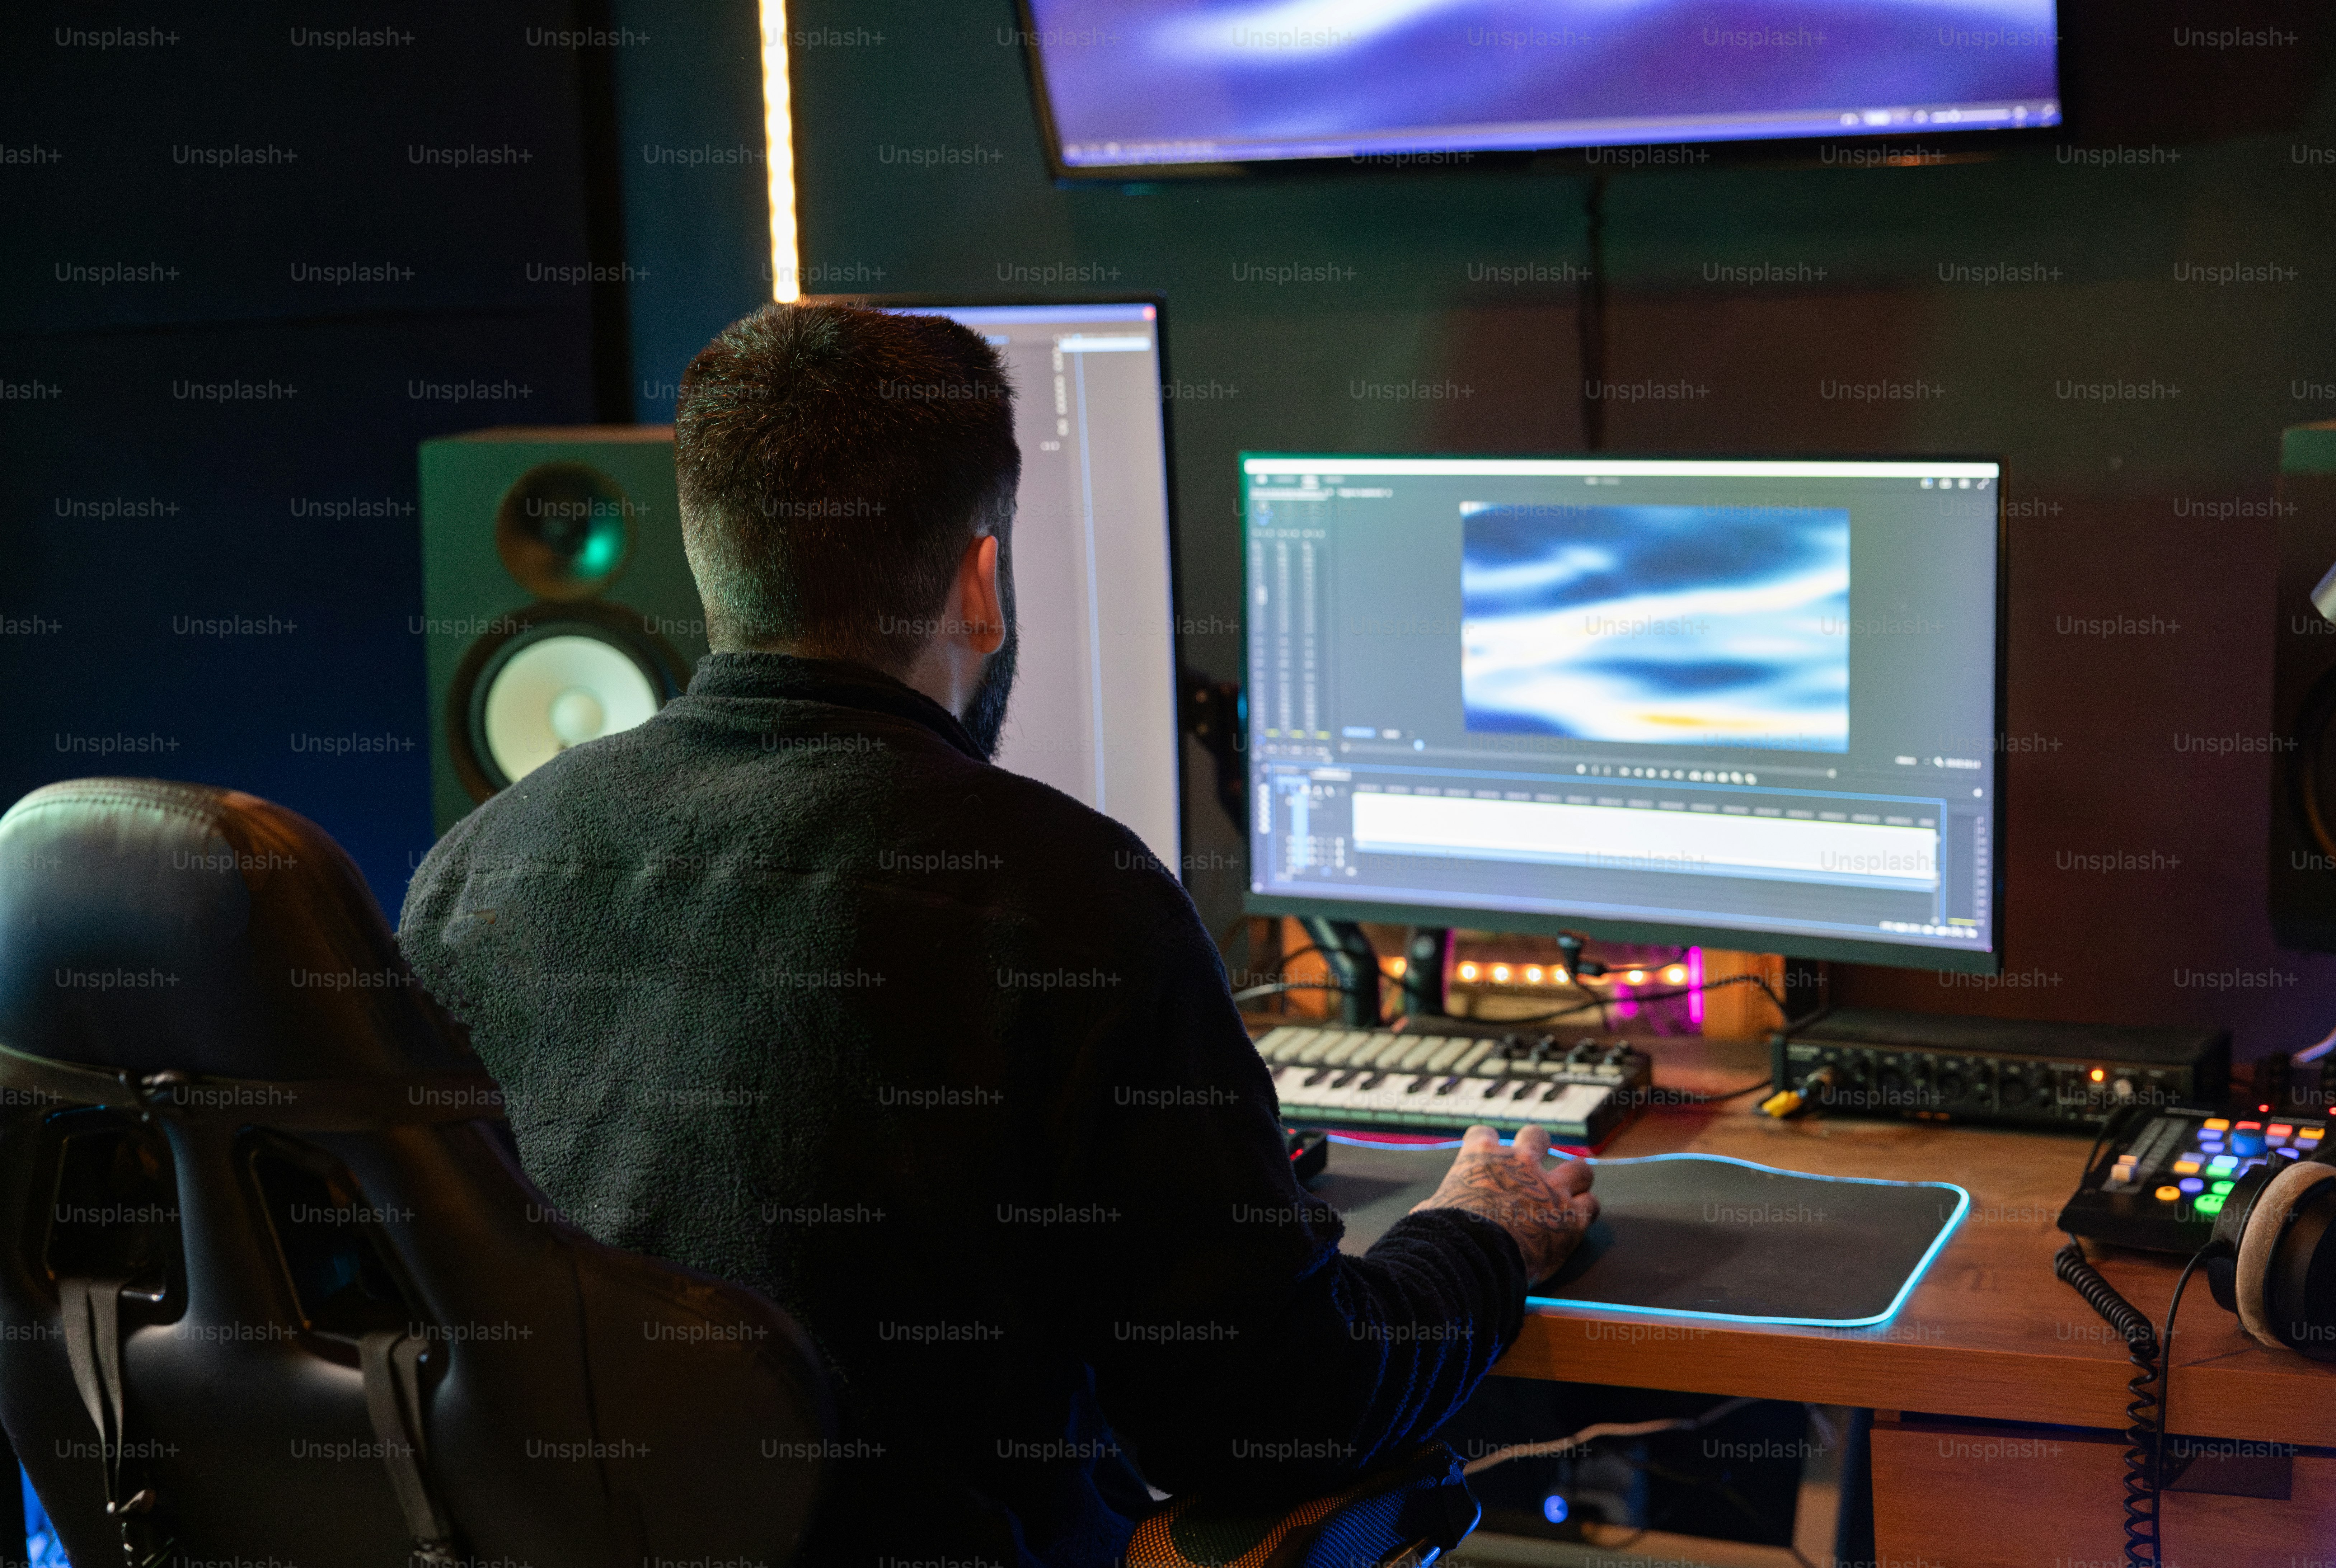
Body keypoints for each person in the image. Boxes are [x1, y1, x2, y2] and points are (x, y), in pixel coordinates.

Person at [398, 301, 1598, 1566]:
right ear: (981, 581)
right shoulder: (1066, 893)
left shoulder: (471, 871)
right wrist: (1479, 1231)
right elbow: (1271, 1422)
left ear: (713, 566)